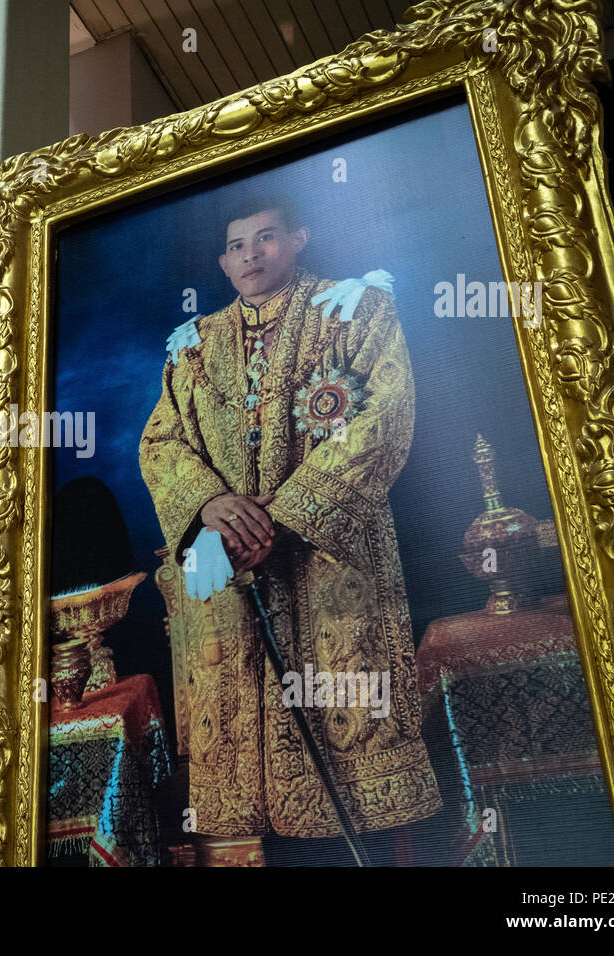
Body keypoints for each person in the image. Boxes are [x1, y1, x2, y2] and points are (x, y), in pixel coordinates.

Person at [139, 196, 440, 842]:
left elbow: (383, 417)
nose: (252, 254)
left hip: (328, 570)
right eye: (239, 245)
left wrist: (280, 518)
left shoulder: (354, 309)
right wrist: (209, 506)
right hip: (229, 589)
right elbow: (161, 443)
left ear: (298, 239)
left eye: (267, 237)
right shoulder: (195, 346)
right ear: (223, 260)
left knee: (355, 790)